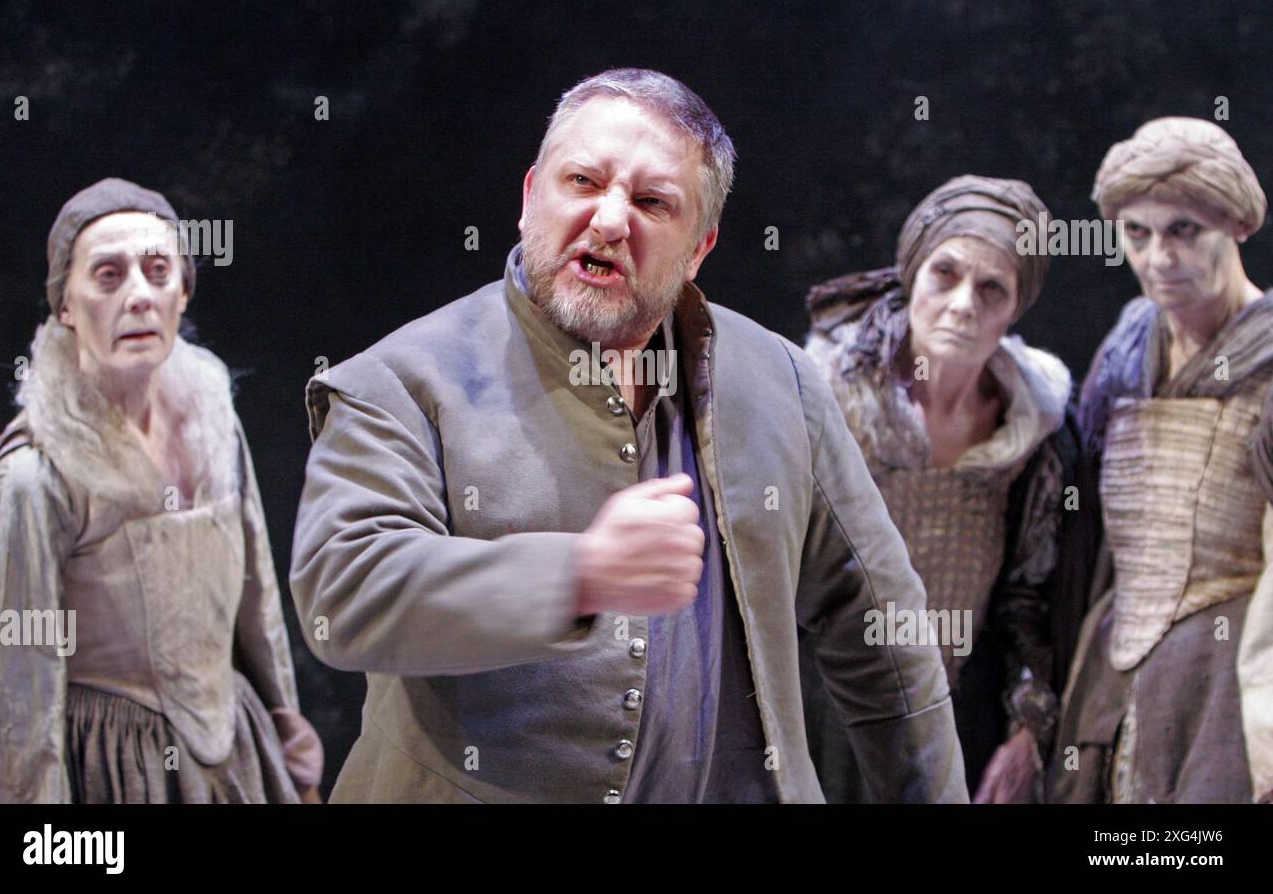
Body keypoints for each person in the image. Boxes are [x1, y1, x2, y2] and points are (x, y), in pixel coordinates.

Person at [288, 68, 968, 803]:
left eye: (652, 202)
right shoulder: (400, 380)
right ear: (528, 200)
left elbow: (882, 630)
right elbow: (344, 592)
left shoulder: (785, 382)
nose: (611, 221)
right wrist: (579, 577)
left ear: (700, 247)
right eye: (582, 181)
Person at [0, 178, 322, 803]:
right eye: (107, 276)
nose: (138, 296)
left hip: (234, 752)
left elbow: (258, 604)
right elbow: (14, 693)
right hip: (112, 775)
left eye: (157, 272)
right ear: (66, 306)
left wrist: (289, 749)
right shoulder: (34, 476)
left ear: (182, 292)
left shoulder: (213, 420)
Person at [803, 176, 1077, 803]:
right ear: (912, 275)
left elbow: (1028, 596)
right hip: (822, 708)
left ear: (1016, 308)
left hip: (956, 711)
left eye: (991, 289)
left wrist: (1026, 726)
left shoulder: (1031, 431)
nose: (962, 305)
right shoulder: (825, 401)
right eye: (945, 275)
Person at [1049, 118, 1273, 803]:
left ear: (1236, 223)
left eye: (1183, 231)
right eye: (1137, 234)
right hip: (1118, 655)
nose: (1157, 258)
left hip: (1232, 660)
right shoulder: (1126, 347)